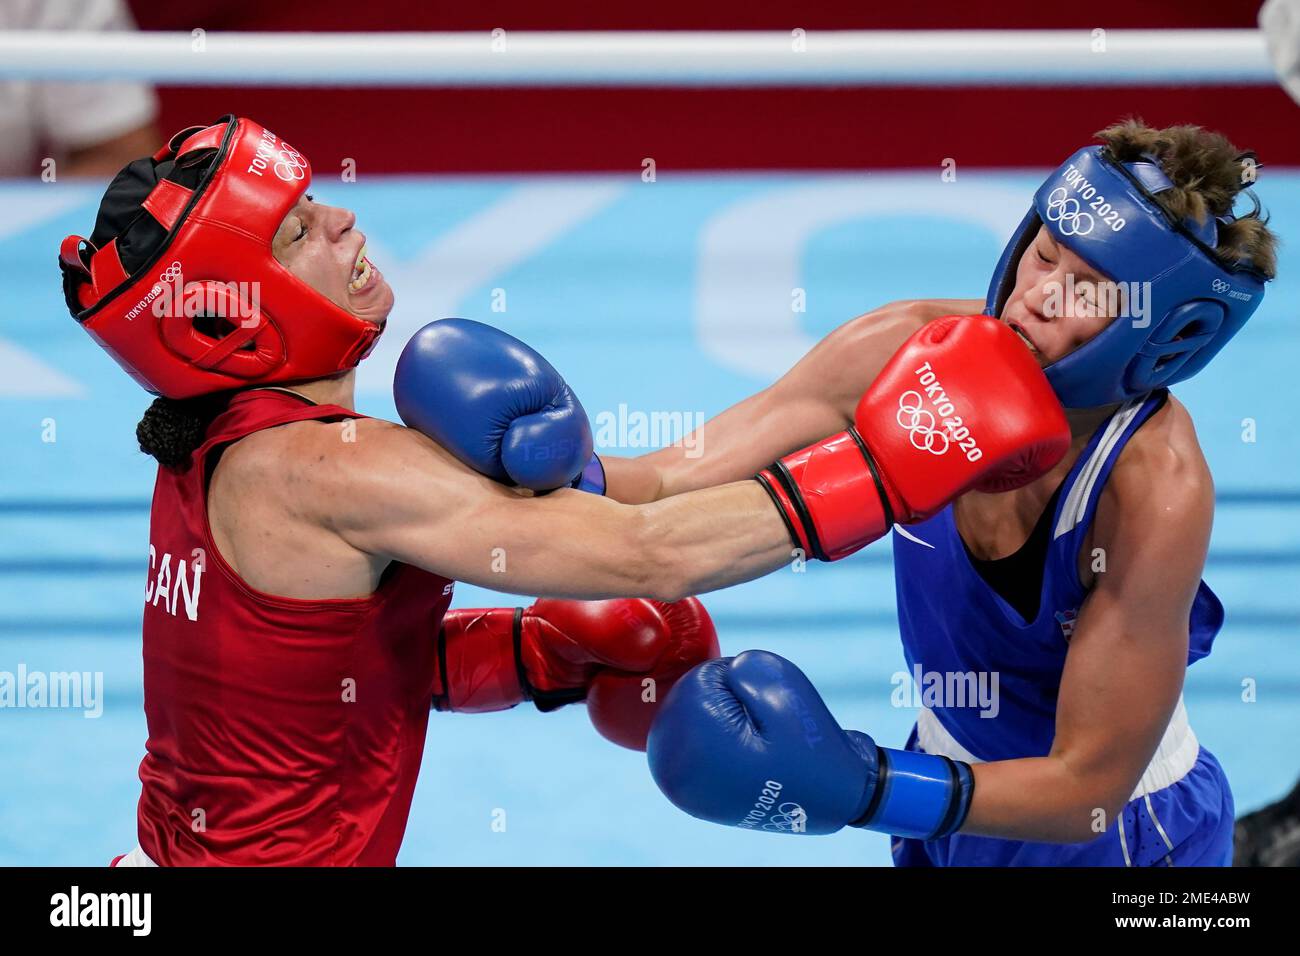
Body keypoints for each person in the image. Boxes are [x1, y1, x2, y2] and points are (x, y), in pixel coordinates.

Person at [59, 115, 1067, 865]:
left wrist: (540, 652)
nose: (342, 217)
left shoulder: (212, 448)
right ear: (228, 320)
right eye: (294, 231)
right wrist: (897, 463)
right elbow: (652, 552)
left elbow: (318, 679)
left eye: (313, 195)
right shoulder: (331, 470)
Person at [623, 121, 1279, 866]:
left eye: (1088, 290)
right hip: (947, 786)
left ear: (1168, 335)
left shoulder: (1152, 491)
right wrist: (523, 469)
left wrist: (865, 788)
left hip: (1121, 836)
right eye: (1042, 256)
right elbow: (661, 483)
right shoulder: (907, 349)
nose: (1037, 299)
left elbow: (1084, 790)